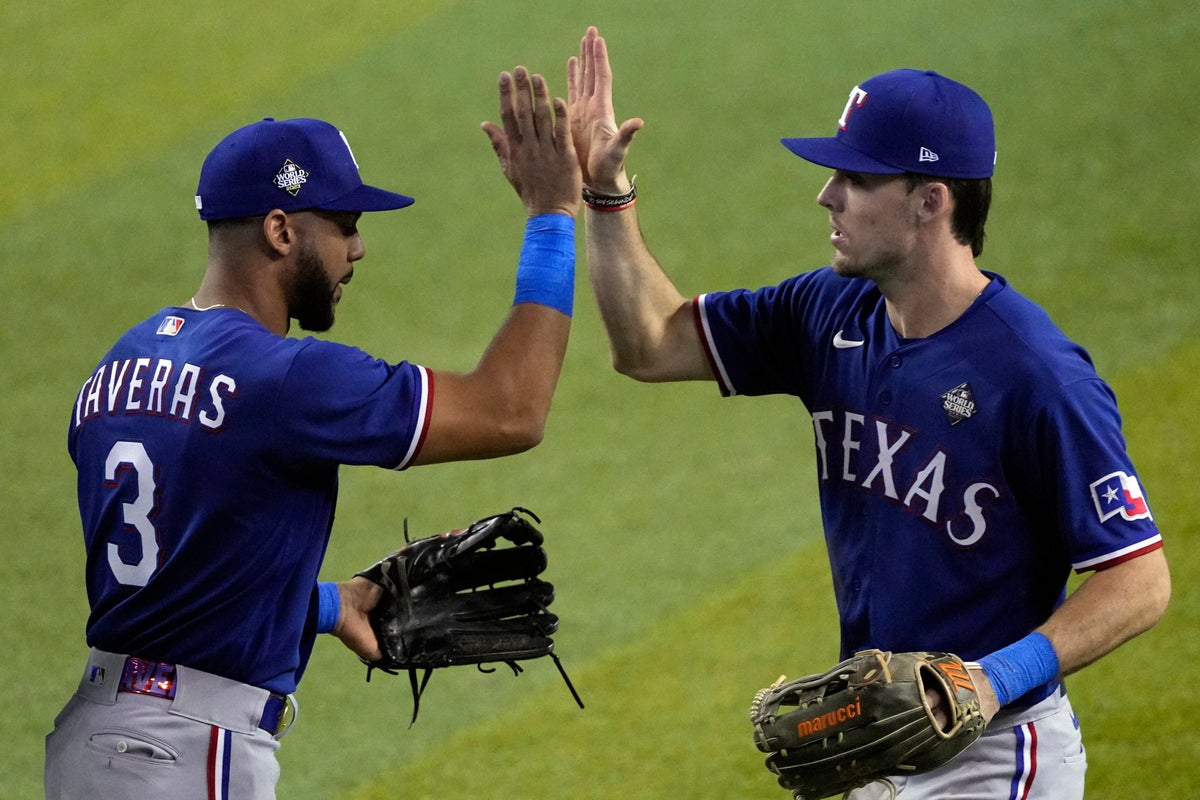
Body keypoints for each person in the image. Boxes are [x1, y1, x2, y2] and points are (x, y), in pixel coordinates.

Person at [567, 26, 1169, 799]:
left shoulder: (1036, 374)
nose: (827, 194)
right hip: (875, 742)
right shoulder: (830, 310)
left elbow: (1139, 580)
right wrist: (607, 197)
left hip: (994, 759)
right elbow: (648, 346)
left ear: (930, 200)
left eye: (854, 177)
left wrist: (988, 680)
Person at [45, 66, 580, 799]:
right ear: (280, 230)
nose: (356, 251)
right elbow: (512, 410)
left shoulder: (121, 362)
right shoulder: (285, 376)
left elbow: (177, 573)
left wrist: (331, 605)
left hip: (94, 741)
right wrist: (552, 215)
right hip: (184, 756)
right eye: (346, 226)